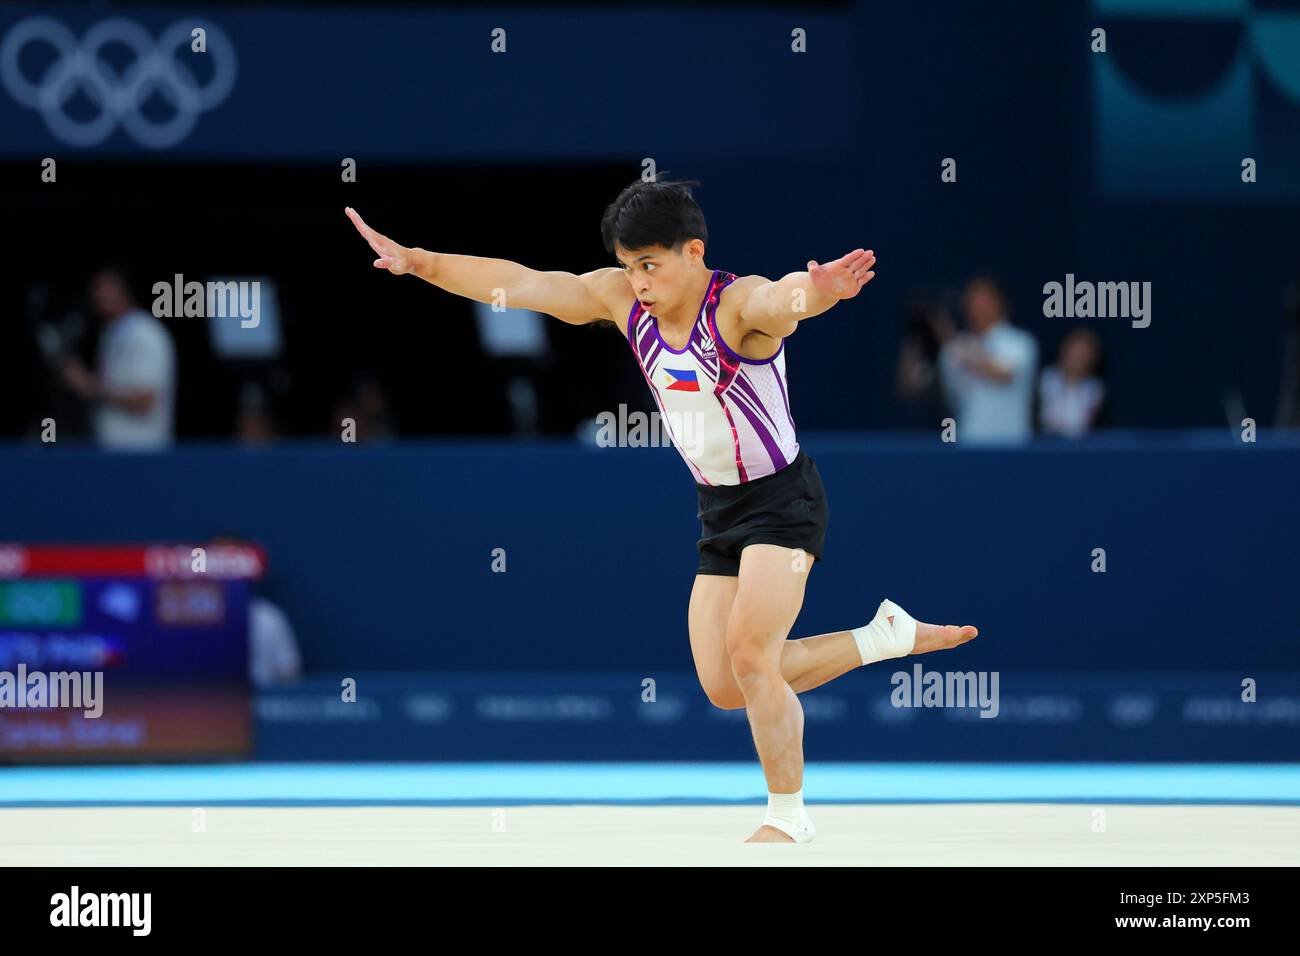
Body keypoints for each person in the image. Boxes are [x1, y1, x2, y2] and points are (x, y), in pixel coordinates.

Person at [345, 180, 978, 843]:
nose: (637, 281)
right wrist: (421, 261)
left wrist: (821, 291)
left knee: (751, 655)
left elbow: (782, 297)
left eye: (650, 264)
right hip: (719, 509)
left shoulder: (735, 308)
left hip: (784, 502)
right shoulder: (622, 301)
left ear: (693, 251)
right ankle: (885, 638)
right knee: (725, 685)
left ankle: (788, 818)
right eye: (628, 265)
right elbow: (524, 283)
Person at [59, 268, 176, 450]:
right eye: (95, 288)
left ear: (123, 289)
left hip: (140, 453)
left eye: (105, 286)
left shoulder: (144, 332)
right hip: (111, 452)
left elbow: (146, 400)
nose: (97, 294)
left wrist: (89, 385)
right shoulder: (112, 332)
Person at [937, 276, 1037, 445]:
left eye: (982, 299)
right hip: (968, 445)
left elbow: (1003, 374)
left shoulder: (1020, 343)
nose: (975, 306)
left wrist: (953, 342)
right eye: (971, 300)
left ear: (999, 302)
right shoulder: (952, 349)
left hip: (1012, 446)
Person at [1038, 328, 1105, 438]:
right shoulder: (1044, 380)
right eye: (1075, 351)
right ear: (1064, 350)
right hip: (1045, 445)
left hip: (1082, 448)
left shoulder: (1095, 389)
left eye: (1084, 353)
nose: (1079, 356)